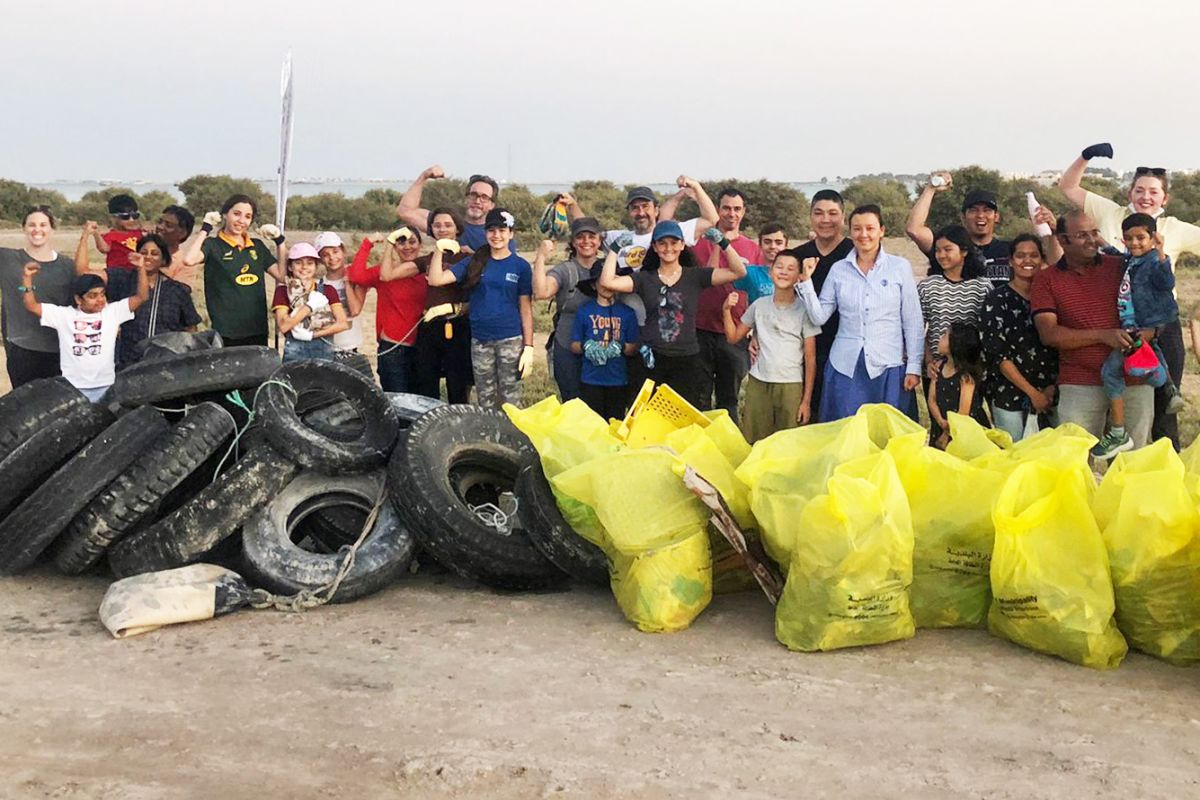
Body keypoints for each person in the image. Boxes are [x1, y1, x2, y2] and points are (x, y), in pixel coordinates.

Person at [1059, 144, 1200, 449]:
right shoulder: (1110, 213)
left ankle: (1166, 472)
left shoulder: (1172, 228)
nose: (1145, 197)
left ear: (1165, 198)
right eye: (1139, 190)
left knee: (1164, 408)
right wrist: (1087, 155)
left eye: (1153, 191)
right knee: (1118, 392)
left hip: (1161, 327)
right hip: (1118, 322)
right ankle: (1118, 451)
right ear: (1129, 193)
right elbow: (1067, 187)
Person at [1032, 210, 1154, 448]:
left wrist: (1148, 332)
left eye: (1095, 233)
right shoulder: (1046, 280)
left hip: (1133, 378)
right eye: (1082, 235)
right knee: (1075, 459)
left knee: (1134, 460)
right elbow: (1049, 334)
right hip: (1079, 381)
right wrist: (1103, 335)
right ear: (1062, 240)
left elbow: (1156, 312)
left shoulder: (1121, 267)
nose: (1092, 240)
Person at [795, 204, 923, 422]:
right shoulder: (838, 270)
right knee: (845, 432)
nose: (864, 235)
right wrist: (806, 283)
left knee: (885, 432)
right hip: (845, 365)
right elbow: (819, 317)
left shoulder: (899, 267)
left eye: (870, 228)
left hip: (888, 364)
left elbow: (912, 320)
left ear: (881, 230)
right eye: (857, 229)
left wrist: (913, 366)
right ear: (850, 231)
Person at [599, 220, 745, 410]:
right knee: (648, 416)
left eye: (674, 242)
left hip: (687, 360)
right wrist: (615, 249)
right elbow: (607, 282)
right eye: (662, 243)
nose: (669, 248)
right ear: (655, 247)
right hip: (651, 359)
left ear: (682, 245)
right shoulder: (644, 278)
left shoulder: (695, 276)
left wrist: (723, 243)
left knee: (683, 418)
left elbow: (739, 271)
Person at [1090, 214, 1183, 460]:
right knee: (1146, 357)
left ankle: (1119, 431)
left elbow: (1166, 282)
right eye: (1129, 238)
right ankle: (1165, 384)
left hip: (1144, 325)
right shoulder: (1133, 259)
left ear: (1154, 238)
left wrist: (1162, 254)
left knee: (1111, 372)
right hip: (1135, 324)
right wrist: (1101, 242)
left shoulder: (1155, 261)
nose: (1134, 243)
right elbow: (1120, 258)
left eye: (1141, 238)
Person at [426, 208, 533, 409]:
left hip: (510, 339)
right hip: (480, 340)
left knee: (511, 399)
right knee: (486, 398)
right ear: (486, 233)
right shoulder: (474, 262)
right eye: (491, 230)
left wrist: (529, 347)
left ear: (511, 234)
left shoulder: (521, 266)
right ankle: (490, 439)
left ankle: (511, 438)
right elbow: (436, 279)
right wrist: (439, 251)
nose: (497, 235)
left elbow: (525, 308)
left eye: (502, 230)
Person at [722, 249, 820, 443]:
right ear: (771, 272)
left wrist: (806, 401)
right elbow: (733, 337)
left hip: (791, 385)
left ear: (799, 276)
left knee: (788, 442)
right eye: (779, 267)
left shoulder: (804, 309)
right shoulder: (759, 305)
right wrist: (726, 310)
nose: (784, 272)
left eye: (791, 268)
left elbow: (810, 358)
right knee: (755, 440)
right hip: (759, 382)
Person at [21, 260, 148, 402]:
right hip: (72, 388)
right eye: (92, 296)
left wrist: (141, 268)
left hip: (106, 386)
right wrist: (27, 278)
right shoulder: (64, 315)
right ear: (78, 299)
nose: (100, 300)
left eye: (102, 294)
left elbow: (141, 297)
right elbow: (31, 305)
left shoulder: (113, 312)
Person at [74, 227, 201, 368]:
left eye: (155, 254)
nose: (148, 257)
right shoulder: (122, 278)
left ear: (164, 259)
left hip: (167, 363)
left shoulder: (176, 290)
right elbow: (83, 273)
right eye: (143, 253)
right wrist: (85, 237)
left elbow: (191, 328)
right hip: (128, 361)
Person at [979, 235, 1059, 442]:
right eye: (1021, 256)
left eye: (1033, 255)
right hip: (1008, 393)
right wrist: (1032, 394)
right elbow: (997, 353)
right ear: (1011, 261)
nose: (1027, 261)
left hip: (1051, 392)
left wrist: (1049, 390)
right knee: (1013, 459)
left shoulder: (1052, 297)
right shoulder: (996, 299)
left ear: (1042, 259)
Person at [691, 188, 764, 415]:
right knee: (699, 397)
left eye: (737, 209)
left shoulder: (753, 249)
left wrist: (756, 333)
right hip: (699, 330)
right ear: (718, 210)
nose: (731, 214)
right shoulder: (699, 244)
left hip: (734, 333)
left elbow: (761, 292)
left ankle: (729, 446)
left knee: (729, 398)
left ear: (743, 212)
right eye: (726, 208)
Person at [917, 225, 992, 441]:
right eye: (938, 250)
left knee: (970, 426)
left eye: (948, 249)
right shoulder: (928, 286)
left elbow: (986, 331)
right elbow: (918, 329)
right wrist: (929, 361)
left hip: (971, 370)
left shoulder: (982, 286)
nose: (941, 255)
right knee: (940, 426)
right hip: (937, 370)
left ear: (964, 251)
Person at [181, 194, 285, 347]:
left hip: (257, 329)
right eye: (236, 214)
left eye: (247, 216)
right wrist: (205, 228)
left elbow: (281, 276)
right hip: (226, 331)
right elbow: (189, 260)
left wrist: (279, 241)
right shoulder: (213, 245)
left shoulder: (257, 246)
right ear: (225, 214)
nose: (241, 221)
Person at [791, 190, 854, 417]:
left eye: (832, 213)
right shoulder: (797, 256)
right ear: (810, 216)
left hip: (845, 349)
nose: (825, 220)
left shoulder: (854, 255)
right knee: (805, 415)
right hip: (802, 349)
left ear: (843, 218)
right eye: (818, 213)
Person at [0, 206, 76, 386]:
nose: (37, 230)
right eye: (31, 225)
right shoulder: (7, 259)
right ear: (24, 228)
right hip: (21, 348)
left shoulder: (67, 266)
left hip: (59, 349)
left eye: (43, 225)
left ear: (52, 229)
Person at [348, 227, 428, 392]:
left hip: (423, 348)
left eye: (412, 242)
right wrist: (367, 243)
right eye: (401, 242)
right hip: (393, 349)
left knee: (421, 401)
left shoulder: (428, 272)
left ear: (420, 244)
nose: (407, 247)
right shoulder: (385, 272)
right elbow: (356, 276)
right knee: (397, 402)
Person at [533, 217, 604, 402]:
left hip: (603, 348)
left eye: (591, 236)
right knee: (572, 403)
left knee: (600, 404)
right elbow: (541, 292)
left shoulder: (609, 268)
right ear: (573, 242)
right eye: (580, 237)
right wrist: (540, 257)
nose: (586, 241)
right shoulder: (565, 270)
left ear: (600, 240)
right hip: (567, 346)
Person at [905, 173, 1011, 288]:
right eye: (973, 210)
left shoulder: (1010, 250)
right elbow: (914, 230)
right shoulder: (948, 247)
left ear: (996, 217)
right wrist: (930, 189)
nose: (980, 215)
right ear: (963, 217)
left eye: (987, 210)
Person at [412, 208, 473, 403]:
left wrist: (459, 308)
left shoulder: (469, 258)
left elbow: (479, 293)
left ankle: (459, 427)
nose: (442, 229)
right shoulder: (429, 258)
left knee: (457, 382)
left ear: (457, 228)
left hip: (457, 324)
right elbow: (387, 275)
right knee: (426, 380)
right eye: (437, 225)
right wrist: (389, 244)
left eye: (448, 225)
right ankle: (430, 425)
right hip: (430, 323)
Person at [396, 166, 515, 254]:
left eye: (484, 197)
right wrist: (424, 177)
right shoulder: (448, 225)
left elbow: (506, 268)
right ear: (466, 198)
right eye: (473, 195)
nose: (477, 201)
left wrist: (472, 257)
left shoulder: (498, 234)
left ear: (492, 205)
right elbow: (405, 211)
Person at [570, 272, 639, 420]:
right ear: (593, 285)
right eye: (602, 282)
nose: (607, 286)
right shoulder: (584, 311)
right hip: (590, 379)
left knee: (615, 422)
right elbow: (573, 345)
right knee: (592, 424)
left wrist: (621, 347)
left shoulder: (628, 313)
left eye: (612, 281)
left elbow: (633, 348)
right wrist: (586, 346)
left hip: (618, 380)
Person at [272, 242, 349, 363]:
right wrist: (310, 306)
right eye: (298, 263)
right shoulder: (282, 291)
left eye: (309, 263)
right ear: (290, 267)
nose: (304, 267)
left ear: (315, 266)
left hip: (324, 352)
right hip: (294, 352)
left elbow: (342, 324)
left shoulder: (328, 290)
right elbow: (284, 326)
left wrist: (313, 335)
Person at [927, 323, 990, 449]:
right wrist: (941, 421)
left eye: (945, 336)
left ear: (955, 345)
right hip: (942, 425)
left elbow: (963, 413)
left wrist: (947, 434)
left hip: (962, 431)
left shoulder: (965, 378)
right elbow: (931, 399)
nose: (940, 338)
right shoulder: (939, 366)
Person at [313, 231, 367, 359]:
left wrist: (347, 282)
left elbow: (355, 310)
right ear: (320, 259)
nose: (332, 258)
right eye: (325, 255)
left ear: (343, 251)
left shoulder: (357, 281)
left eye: (335, 251)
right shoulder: (319, 285)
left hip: (350, 348)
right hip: (326, 348)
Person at [90, 194, 144, 301]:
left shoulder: (140, 233)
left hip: (137, 275)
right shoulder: (111, 236)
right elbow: (104, 249)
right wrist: (95, 233)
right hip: (117, 277)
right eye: (125, 217)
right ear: (114, 218)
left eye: (135, 216)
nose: (131, 220)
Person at [156, 205, 197, 284]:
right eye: (160, 222)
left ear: (182, 233)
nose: (160, 227)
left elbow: (179, 293)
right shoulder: (142, 252)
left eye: (168, 225)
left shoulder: (185, 264)